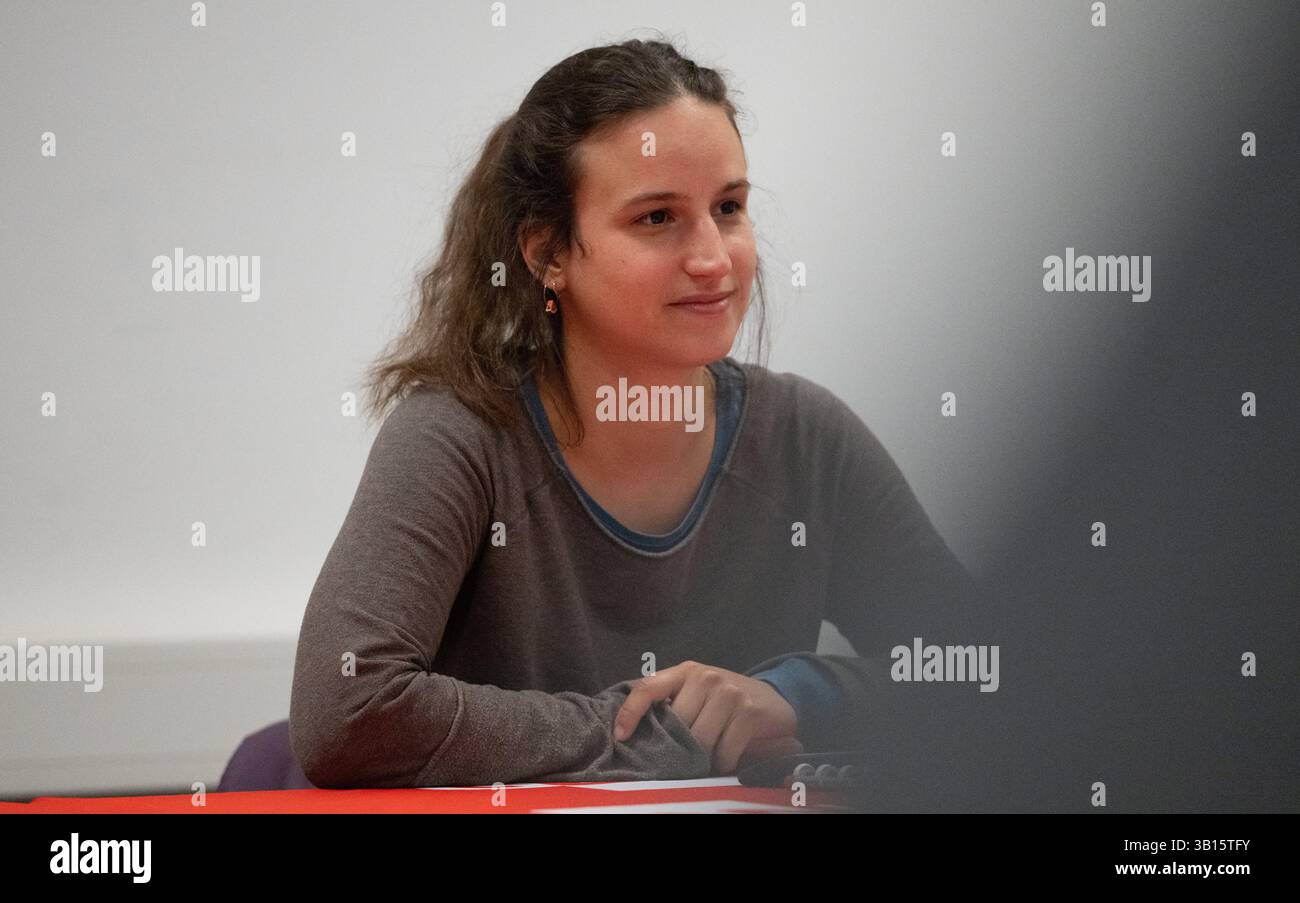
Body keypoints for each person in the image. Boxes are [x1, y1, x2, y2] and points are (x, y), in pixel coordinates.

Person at [289, 36, 984, 790]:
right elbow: (348, 707)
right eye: (657, 218)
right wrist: (670, 734)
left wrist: (799, 697)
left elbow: (989, 671)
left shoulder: (807, 437)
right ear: (548, 253)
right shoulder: (458, 434)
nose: (714, 257)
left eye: (730, 207)